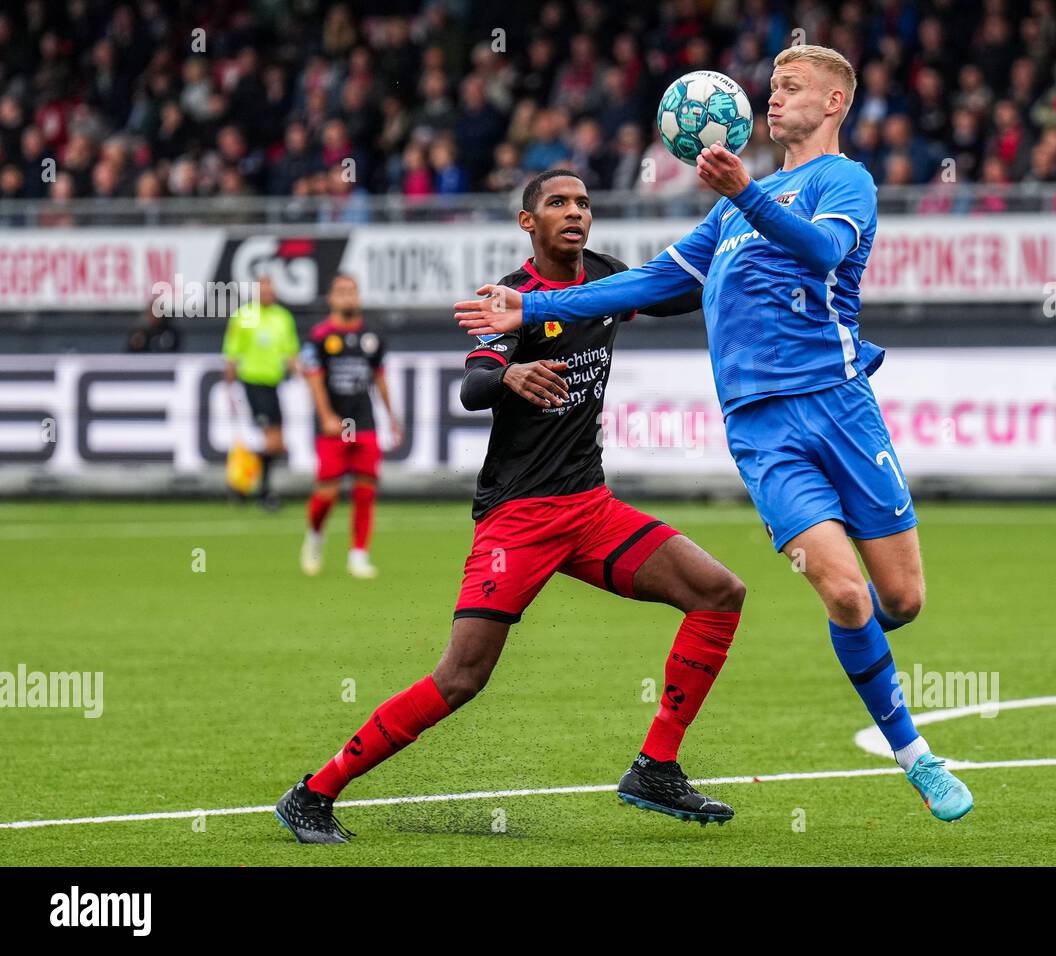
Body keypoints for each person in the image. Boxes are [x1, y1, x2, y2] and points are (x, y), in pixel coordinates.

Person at [455, 46, 974, 822]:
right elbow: (655, 281)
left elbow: (825, 250)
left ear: (833, 103)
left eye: (790, 87)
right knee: (842, 594)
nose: (773, 98)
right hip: (764, 431)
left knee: (900, 598)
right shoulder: (731, 211)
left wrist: (747, 194)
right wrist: (529, 310)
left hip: (840, 406)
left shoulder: (841, 183)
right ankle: (916, 756)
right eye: (771, 86)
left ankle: (870, 623)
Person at [275, 172, 742, 843]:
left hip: (590, 508)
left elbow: (678, 296)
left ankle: (656, 766)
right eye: (558, 203)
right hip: (519, 519)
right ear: (529, 222)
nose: (575, 212)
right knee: (462, 676)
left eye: (583, 202)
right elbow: (471, 387)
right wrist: (509, 376)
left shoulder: (606, 278)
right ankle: (312, 794)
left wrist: (740, 258)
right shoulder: (511, 298)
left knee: (719, 593)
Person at [299, 274, 402, 580]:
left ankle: (359, 554)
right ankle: (315, 535)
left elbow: (379, 378)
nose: (348, 297)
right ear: (331, 298)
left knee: (365, 489)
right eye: (342, 292)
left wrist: (392, 417)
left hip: (364, 422)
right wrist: (326, 416)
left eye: (352, 291)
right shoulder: (319, 337)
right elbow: (314, 379)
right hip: (333, 425)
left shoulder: (372, 335)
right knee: (327, 492)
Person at [221, 275, 299, 510]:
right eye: (262, 288)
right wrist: (230, 388)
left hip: (274, 384)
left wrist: (303, 374)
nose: (266, 292)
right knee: (271, 438)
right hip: (252, 382)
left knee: (276, 441)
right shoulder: (243, 317)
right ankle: (265, 492)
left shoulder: (283, 318)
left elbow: (291, 352)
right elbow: (232, 355)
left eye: (269, 288)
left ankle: (243, 486)